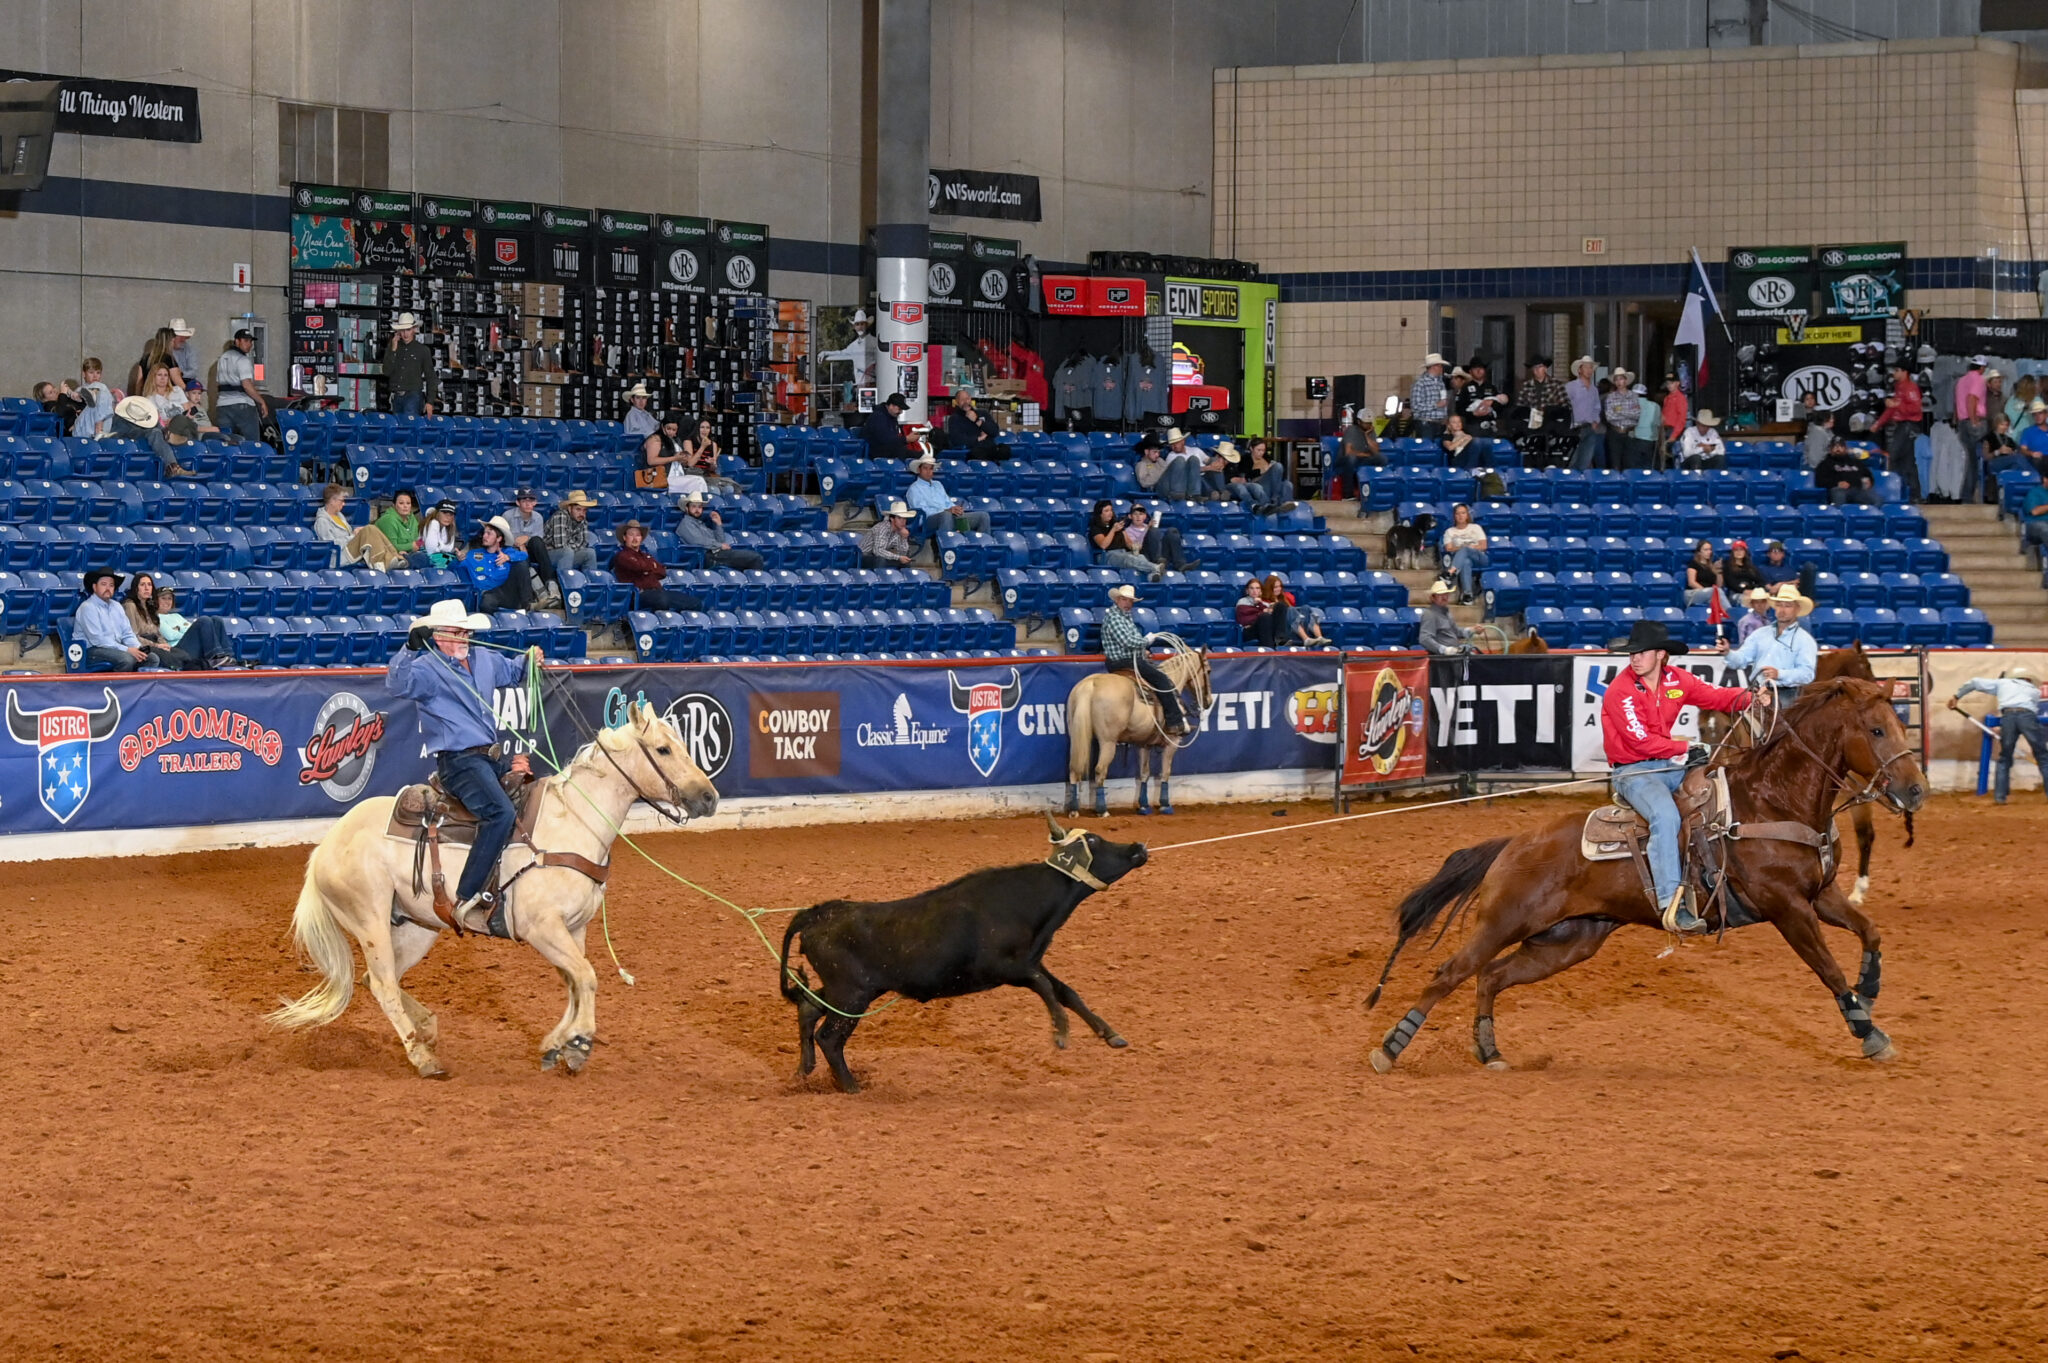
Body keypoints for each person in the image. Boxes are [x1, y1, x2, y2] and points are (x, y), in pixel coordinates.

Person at [386, 601, 539, 931]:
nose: (464, 637)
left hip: (489, 759)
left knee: (530, 796)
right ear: (438, 636)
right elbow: (398, 685)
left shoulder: (484, 659)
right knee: (499, 813)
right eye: (456, 631)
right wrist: (408, 648)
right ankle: (466, 896)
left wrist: (529, 661)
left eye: (466, 631)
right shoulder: (426, 668)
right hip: (459, 762)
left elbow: (514, 671)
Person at [1602, 618, 1755, 934]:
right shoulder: (1621, 691)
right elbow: (1639, 741)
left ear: (1660, 654)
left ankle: (1713, 873)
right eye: (1632, 653)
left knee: (1721, 791)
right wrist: (1684, 748)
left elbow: (1717, 696)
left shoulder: (1676, 680)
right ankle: (1671, 903)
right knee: (1666, 817)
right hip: (1633, 771)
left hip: (1669, 765)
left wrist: (1752, 698)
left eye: (1641, 652)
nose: (1634, 658)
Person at [1099, 584, 1188, 736]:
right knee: (1161, 680)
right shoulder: (1115, 618)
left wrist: (1142, 650)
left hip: (1127, 658)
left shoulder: (1123, 617)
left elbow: (1130, 641)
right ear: (1118, 600)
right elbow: (1128, 641)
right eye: (1124, 600)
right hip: (1123, 660)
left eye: (1130, 601)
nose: (1128, 603)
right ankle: (1174, 722)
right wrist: (1147, 641)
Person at [1949, 665, 2046, 804]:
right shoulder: (2034, 691)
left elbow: (1975, 682)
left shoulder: (2003, 683)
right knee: (2043, 757)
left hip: (2008, 717)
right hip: (2027, 717)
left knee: (2004, 759)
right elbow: (2030, 712)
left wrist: (1956, 696)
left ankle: (2000, 797)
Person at [1721, 582, 1817, 705]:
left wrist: (1780, 674)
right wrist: (1728, 653)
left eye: (1788, 606)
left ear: (1797, 609)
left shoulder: (1804, 640)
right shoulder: (1759, 634)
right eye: (1779, 605)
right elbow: (1741, 659)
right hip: (1758, 691)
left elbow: (1807, 674)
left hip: (1786, 695)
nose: (1782, 610)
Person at [123, 571, 235, 670]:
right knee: (204, 621)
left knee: (216, 620)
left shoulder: (150, 608)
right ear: (136, 588)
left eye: (149, 585)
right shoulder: (130, 606)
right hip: (154, 647)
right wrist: (158, 645)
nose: (147, 588)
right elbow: (132, 635)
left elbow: (158, 634)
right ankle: (214, 657)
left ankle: (229, 658)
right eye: (142, 585)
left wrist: (164, 644)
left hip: (167, 648)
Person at [74, 569, 173, 672]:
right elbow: (98, 640)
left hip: (115, 647)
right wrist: (127, 650)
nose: (108, 588)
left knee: (152, 658)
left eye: (111, 585)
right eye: (104, 584)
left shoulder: (116, 606)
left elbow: (127, 633)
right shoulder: (88, 607)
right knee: (127, 659)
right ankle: (119, 687)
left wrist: (137, 648)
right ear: (95, 587)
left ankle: (138, 686)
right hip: (92, 650)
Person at [607, 520, 701, 613]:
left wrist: (648, 569)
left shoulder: (646, 555)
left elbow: (662, 572)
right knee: (662, 600)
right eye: (631, 535)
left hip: (657, 591)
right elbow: (640, 567)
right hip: (638, 594)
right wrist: (651, 567)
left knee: (695, 602)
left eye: (638, 535)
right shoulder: (622, 556)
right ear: (624, 537)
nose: (635, 538)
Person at [905, 455, 990, 548]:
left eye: (931, 469)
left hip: (948, 515)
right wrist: (946, 510)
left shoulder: (938, 484)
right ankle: (946, 550)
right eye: (925, 468)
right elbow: (922, 512)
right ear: (919, 469)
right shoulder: (914, 489)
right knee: (945, 516)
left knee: (983, 516)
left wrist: (955, 508)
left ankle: (982, 549)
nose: (928, 472)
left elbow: (947, 502)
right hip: (928, 521)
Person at [313, 484, 405, 570]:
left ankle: (393, 555)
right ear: (332, 501)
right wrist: (353, 537)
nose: (344, 504)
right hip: (338, 556)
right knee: (368, 529)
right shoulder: (322, 521)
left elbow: (348, 534)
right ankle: (383, 562)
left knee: (370, 528)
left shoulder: (339, 515)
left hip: (349, 548)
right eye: (342, 500)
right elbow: (330, 545)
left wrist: (355, 532)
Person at [1870, 361, 1925, 502]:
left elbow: (1916, 409)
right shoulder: (1899, 387)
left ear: (1904, 372)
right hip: (1901, 425)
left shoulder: (1910, 387)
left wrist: (1897, 404)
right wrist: (1879, 423)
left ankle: (1894, 492)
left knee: (1894, 456)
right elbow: (1891, 409)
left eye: (1897, 370)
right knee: (1906, 461)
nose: (1894, 373)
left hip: (1909, 425)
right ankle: (1910, 494)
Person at [461, 518, 536, 612]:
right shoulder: (473, 554)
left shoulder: (507, 551)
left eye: (489, 533)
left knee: (521, 564)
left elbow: (524, 555)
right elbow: (456, 566)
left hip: (507, 592)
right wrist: (459, 559)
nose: (484, 536)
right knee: (487, 602)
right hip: (487, 592)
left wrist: (508, 557)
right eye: (484, 533)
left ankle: (528, 604)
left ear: (499, 538)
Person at [676, 491, 765, 569]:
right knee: (755, 558)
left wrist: (718, 524)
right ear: (687, 508)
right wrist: (719, 545)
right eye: (694, 506)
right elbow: (697, 541)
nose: (697, 510)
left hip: (716, 554)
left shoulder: (700, 524)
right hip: (707, 556)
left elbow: (720, 540)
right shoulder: (685, 524)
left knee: (754, 558)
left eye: (699, 507)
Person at [110, 394, 192, 478]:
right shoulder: (118, 420)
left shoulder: (140, 413)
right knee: (155, 432)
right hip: (126, 434)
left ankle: (166, 433)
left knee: (154, 429)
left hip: (140, 426)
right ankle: (172, 465)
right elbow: (116, 434)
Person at [1086, 500, 1162, 579]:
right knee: (1129, 559)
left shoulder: (1116, 523)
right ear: (1099, 514)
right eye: (1106, 511)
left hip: (1123, 552)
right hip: (1107, 555)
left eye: (1111, 510)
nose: (1110, 513)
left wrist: (1134, 547)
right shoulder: (1095, 528)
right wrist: (1113, 530)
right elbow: (1103, 545)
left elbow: (1128, 542)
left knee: (1140, 556)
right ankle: (1156, 568)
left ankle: (1152, 576)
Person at [214, 328, 265, 442]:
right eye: (245, 341)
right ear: (237, 341)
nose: (249, 344)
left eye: (250, 341)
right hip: (243, 405)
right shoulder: (243, 360)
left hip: (222, 405)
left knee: (226, 442)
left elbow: (218, 382)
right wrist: (261, 402)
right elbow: (247, 385)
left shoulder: (222, 358)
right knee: (251, 443)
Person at [143, 361, 214, 441]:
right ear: (153, 377)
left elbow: (188, 411)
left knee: (185, 425)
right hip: (168, 428)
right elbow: (156, 421)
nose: (163, 378)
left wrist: (185, 417)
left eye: (165, 375)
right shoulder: (149, 398)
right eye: (159, 375)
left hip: (184, 424)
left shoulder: (177, 390)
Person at [386, 313, 438, 417]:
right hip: (396, 395)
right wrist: (393, 351)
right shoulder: (392, 347)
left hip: (413, 395)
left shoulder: (423, 350)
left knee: (408, 426)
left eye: (408, 330)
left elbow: (431, 377)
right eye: (402, 330)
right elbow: (386, 371)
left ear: (414, 329)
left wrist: (430, 401)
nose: (405, 334)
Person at [1122, 503, 1198, 573]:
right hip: (1146, 556)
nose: (1138, 517)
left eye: (1141, 514)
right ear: (1130, 516)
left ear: (1145, 516)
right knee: (1154, 531)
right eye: (1135, 514)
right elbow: (1136, 547)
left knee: (1172, 531)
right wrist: (1147, 529)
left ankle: (1181, 564)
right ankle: (1158, 560)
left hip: (1162, 555)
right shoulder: (1128, 531)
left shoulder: (1149, 527)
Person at [1954, 354, 1990, 502]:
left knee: (1971, 460)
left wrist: (1956, 420)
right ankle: (1971, 497)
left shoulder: (1961, 380)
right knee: (1977, 460)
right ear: (1982, 368)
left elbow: (1957, 402)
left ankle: (1967, 496)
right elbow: (1971, 399)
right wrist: (1975, 420)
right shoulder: (1978, 380)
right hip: (1973, 420)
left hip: (1962, 422)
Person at [1439, 502, 1488, 604]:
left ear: (1467, 515)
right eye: (1458, 514)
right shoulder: (1450, 532)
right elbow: (1448, 548)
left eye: (1463, 513)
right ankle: (1468, 595)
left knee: (1466, 550)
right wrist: (1462, 548)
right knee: (1465, 562)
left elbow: (1483, 546)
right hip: (1462, 559)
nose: (1460, 516)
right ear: (1454, 516)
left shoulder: (1475, 528)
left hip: (1479, 557)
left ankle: (1450, 573)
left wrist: (1471, 547)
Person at [544, 490, 600, 578]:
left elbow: (583, 543)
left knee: (590, 553)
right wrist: (572, 546)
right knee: (567, 552)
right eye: (578, 509)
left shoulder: (583, 520)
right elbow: (560, 545)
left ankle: (589, 584)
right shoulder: (560, 516)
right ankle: (565, 585)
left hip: (569, 553)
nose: (582, 513)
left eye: (584, 510)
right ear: (570, 508)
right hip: (548, 554)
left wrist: (570, 546)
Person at [944, 390, 1009, 460]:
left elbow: (995, 431)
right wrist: (978, 439)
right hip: (973, 449)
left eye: (967, 399)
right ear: (957, 402)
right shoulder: (954, 418)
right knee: (978, 453)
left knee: (1005, 450)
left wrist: (978, 421)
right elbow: (956, 439)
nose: (966, 402)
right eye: (962, 400)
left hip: (989, 446)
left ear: (970, 399)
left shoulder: (983, 413)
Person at [1333, 406, 1381, 499]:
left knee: (1380, 459)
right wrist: (1366, 455)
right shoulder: (1351, 431)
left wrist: (1366, 436)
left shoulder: (1371, 432)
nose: (1367, 426)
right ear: (1359, 422)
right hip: (1344, 459)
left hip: (1361, 458)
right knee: (1351, 460)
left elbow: (1375, 450)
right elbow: (1348, 452)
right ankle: (1347, 495)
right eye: (1365, 423)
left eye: (1369, 423)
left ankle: (1373, 493)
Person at [1814, 437, 1880, 505]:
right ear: (1830, 449)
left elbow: (1867, 475)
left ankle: (1872, 515)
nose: (1838, 448)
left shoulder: (1856, 462)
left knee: (1877, 499)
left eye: (1841, 446)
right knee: (1839, 494)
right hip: (1838, 490)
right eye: (1835, 446)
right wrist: (1837, 483)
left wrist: (1870, 481)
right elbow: (1820, 481)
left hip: (1858, 490)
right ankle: (1839, 514)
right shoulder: (1825, 464)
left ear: (1845, 449)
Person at [1566, 356, 1604, 470]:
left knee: (1585, 461)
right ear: (1579, 370)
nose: (1589, 370)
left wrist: (1595, 421)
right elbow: (1564, 406)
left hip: (1589, 428)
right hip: (1574, 429)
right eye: (1586, 367)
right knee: (1572, 461)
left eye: (1591, 367)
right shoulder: (1570, 387)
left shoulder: (1594, 389)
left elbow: (1597, 407)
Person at [683, 416, 739, 494]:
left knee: (729, 489)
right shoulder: (688, 442)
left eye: (707, 428)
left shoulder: (713, 444)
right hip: (693, 476)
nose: (705, 430)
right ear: (697, 429)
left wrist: (712, 463)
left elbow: (712, 469)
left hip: (706, 476)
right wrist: (702, 447)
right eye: (702, 427)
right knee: (714, 490)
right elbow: (690, 463)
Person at [1244, 440, 1299, 516]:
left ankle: (1285, 505)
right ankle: (1275, 500)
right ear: (1251, 448)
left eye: (1263, 450)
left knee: (1287, 484)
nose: (1261, 453)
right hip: (1258, 484)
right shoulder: (1246, 459)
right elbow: (1246, 477)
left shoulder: (1267, 458)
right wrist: (1261, 471)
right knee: (1278, 466)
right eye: (1258, 450)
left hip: (1272, 483)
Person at [1418, 578, 1471, 654]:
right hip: (1441, 659)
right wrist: (1443, 650)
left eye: (1446, 594)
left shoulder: (1447, 613)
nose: (1444, 597)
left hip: (1452, 657)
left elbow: (1456, 632)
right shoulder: (1429, 614)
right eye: (1440, 595)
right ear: (1433, 598)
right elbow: (1424, 639)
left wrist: (1471, 631)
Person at [858, 502, 917, 569]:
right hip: (863, 556)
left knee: (905, 562)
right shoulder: (882, 528)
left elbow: (902, 553)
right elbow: (878, 551)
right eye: (899, 518)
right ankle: (880, 578)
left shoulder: (899, 531)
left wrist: (903, 538)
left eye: (904, 519)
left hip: (877, 557)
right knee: (881, 560)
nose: (903, 521)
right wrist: (898, 557)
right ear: (892, 519)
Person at [637, 411, 687, 489]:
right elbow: (651, 461)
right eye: (668, 429)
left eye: (674, 430)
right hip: (659, 477)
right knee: (698, 481)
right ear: (663, 427)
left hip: (677, 474)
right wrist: (674, 458)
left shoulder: (676, 440)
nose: (671, 432)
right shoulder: (655, 439)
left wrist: (683, 459)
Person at [1235, 576, 1291, 646]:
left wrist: (1261, 605)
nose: (1255, 591)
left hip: (1266, 628)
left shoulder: (1264, 603)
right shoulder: (1242, 601)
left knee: (1280, 606)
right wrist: (1262, 610)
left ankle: (1280, 639)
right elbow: (1245, 620)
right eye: (1251, 588)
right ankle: (1269, 648)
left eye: (1257, 588)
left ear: (1261, 591)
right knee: (1265, 616)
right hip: (1249, 630)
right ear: (1247, 591)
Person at [374, 489, 426, 564]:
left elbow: (419, 539)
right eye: (401, 503)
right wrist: (411, 546)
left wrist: (419, 544)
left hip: (409, 554)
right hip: (387, 556)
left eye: (408, 503)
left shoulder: (412, 518)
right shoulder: (388, 520)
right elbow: (392, 546)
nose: (405, 506)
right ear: (394, 505)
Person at [127, 326, 181, 396]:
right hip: (165, 397)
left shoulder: (145, 359)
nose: (173, 344)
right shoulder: (169, 359)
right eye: (173, 341)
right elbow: (179, 383)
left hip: (148, 395)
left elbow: (139, 383)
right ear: (169, 342)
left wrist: (139, 399)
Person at [1603, 369, 1641, 468]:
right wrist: (1628, 412)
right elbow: (1609, 417)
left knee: (1630, 464)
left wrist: (1619, 411)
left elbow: (1637, 415)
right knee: (1615, 464)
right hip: (1615, 433)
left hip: (1629, 433)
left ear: (1626, 380)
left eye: (1621, 379)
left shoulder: (1634, 396)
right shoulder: (1610, 397)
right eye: (1616, 380)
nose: (1619, 382)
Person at [1158, 427, 1207, 501]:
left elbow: (1208, 460)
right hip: (1174, 485)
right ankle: (1178, 493)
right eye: (1171, 444)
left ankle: (1194, 494)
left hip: (1196, 481)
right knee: (1180, 460)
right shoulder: (1171, 456)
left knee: (1194, 459)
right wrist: (1208, 468)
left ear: (1183, 441)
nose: (1174, 446)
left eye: (1176, 443)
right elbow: (1185, 471)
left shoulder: (1195, 450)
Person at [861, 392, 912, 462]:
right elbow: (886, 440)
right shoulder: (878, 417)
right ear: (891, 406)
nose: (901, 412)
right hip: (878, 452)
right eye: (899, 409)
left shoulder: (891, 417)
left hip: (889, 451)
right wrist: (906, 439)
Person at [1408, 354, 1449, 441]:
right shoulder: (1420, 383)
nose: (1442, 368)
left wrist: (1444, 416)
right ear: (1434, 367)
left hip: (1440, 423)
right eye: (1440, 366)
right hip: (1426, 424)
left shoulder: (1440, 382)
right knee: (1427, 448)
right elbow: (1415, 406)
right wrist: (1436, 405)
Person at [1461, 358, 1504, 436]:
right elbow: (1459, 408)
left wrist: (1491, 403)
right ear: (1470, 371)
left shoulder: (1491, 387)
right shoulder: (1465, 388)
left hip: (1489, 425)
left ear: (1484, 370)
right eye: (1475, 368)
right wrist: (1473, 414)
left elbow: (1500, 406)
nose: (1478, 371)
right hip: (1473, 425)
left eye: (1481, 368)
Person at [414, 499, 463, 568]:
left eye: (451, 514)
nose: (448, 517)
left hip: (437, 556)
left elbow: (449, 548)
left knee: (460, 561)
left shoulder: (450, 526)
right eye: (444, 513)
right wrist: (442, 548)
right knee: (448, 560)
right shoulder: (433, 523)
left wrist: (439, 546)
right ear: (437, 513)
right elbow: (430, 550)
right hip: (423, 555)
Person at [73, 357, 114, 438]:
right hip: (82, 428)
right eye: (91, 372)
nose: (95, 376)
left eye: (98, 373)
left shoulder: (103, 391)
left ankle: (100, 430)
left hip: (94, 427)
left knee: (102, 392)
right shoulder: (79, 390)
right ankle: (99, 430)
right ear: (84, 374)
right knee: (101, 388)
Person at [1629, 380, 1663, 471]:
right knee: (1650, 468)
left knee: (1635, 469)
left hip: (1635, 439)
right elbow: (1658, 424)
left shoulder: (1631, 405)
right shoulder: (1655, 406)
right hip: (1651, 440)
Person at [1659, 375, 1688, 466]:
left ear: (1677, 383)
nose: (1669, 385)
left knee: (1674, 457)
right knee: (1664, 457)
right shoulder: (1667, 398)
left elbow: (1681, 419)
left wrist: (1674, 435)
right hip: (1665, 430)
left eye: (1671, 383)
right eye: (1668, 383)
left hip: (1674, 431)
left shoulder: (1681, 398)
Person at [1682, 538, 1721, 607]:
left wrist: (1718, 572)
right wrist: (1705, 591)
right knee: (1714, 592)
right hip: (1693, 593)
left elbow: (1719, 586)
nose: (1709, 552)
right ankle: (1729, 613)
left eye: (1710, 549)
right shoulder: (1693, 564)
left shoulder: (1712, 566)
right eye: (1706, 550)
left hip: (1709, 594)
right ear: (1699, 552)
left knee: (1717, 593)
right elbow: (1691, 583)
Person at [1801, 395, 1835, 471]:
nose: (1833, 420)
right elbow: (1815, 460)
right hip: (1817, 469)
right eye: (1831, 418)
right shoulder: (1817, 434)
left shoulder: (1828, 431)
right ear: (1825, 419)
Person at [2020, 478, 2048, 554]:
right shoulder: (2035, 492)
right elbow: (2035, 511)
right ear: (2045, 479)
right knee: (2045, 529)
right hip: (2035, 524)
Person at [167, 318, 200, 383]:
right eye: (180, 336)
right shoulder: (164, 350)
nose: (183, 339)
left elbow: (194, 372)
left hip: (185, 382)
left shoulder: (189, 349)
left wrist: (180, 374)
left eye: (184, 336)